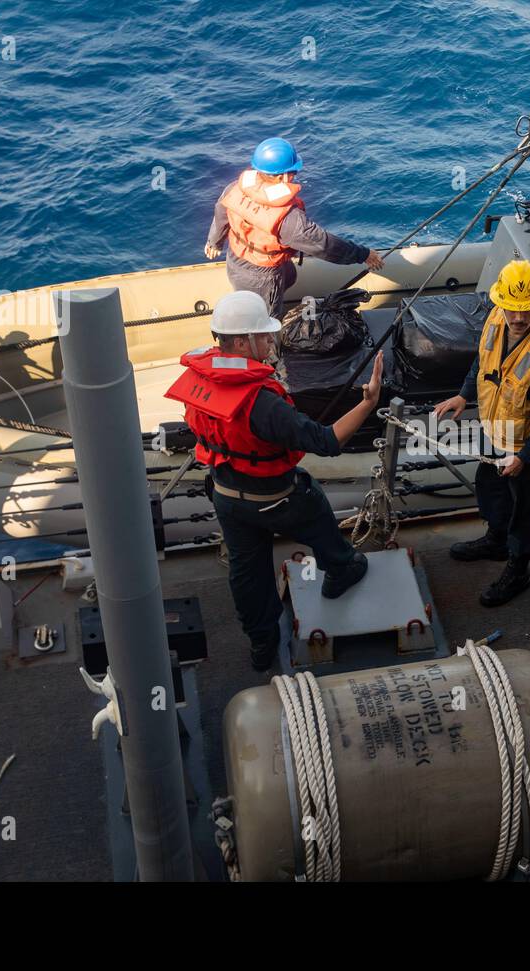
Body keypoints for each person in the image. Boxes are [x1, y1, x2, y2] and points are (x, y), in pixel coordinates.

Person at [165, 290, 384, 671]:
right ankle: (342, 569)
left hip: (226, 497)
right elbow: (327, 441)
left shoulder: (199, 376)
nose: (271, 340)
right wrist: (367, 402)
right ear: (241, 341)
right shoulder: (263, 403)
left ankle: (262, 645)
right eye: (264, 335)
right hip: (276, 496)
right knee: (314, 506)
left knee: (247, 573)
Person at [434, 260, 530, 607]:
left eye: (527, 310)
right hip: (494, 427)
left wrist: (527, 458)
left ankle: (519, 566)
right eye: (512, 309)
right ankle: (496, 540)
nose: (519, 318)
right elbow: (482, 363)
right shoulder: (495, 318)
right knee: (490, 486)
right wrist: (464, 395)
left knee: (526, 508)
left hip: (526, 442)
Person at [204, 137, 385, 316]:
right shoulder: (289, 220)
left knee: (289, 276)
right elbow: (325, 245)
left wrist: (214, 242)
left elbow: (221, 210)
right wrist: (364, 254)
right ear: (284, 176)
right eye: (293, 172)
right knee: (266, 322)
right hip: (262, 278)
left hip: (235, 260)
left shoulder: (234, 187)